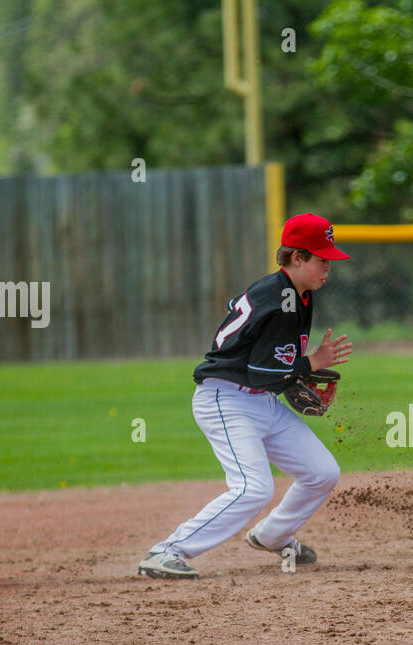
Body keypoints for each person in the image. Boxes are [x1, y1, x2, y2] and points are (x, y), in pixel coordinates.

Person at [137, 213, 353, 579]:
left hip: (260, 400)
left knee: (322, 472)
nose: (328, 267)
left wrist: (298, 376)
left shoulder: (296, 294)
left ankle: (272, 536)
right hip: (227, 401)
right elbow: (260, 372)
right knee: (253, 489)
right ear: (297, 257)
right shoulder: (280, 299)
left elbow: (271, 365)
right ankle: (166, 551)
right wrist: (310, 363)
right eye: (322, 259)